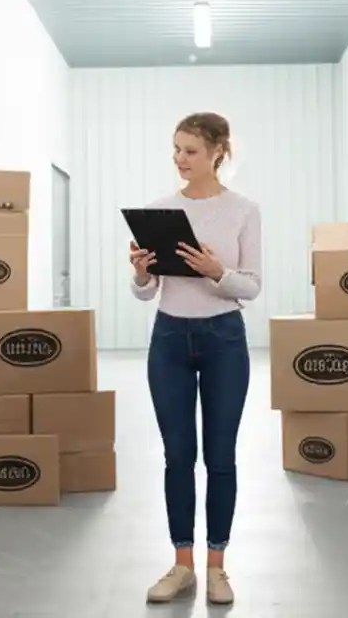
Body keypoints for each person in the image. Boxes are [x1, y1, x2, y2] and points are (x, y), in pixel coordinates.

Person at [128, 111, 262, 606]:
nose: (180, 159)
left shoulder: (243, 210)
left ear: (217, 153)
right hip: (169, 339)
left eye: (190, 151)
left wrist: (215, 270)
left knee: (220, 456)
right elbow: (146, 293)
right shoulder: (158, 211)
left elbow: (251, 285)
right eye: (176, 150)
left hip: (224, 338)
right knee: (178, 455)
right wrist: (142, 273)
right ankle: (181, 565)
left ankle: (218, 567)